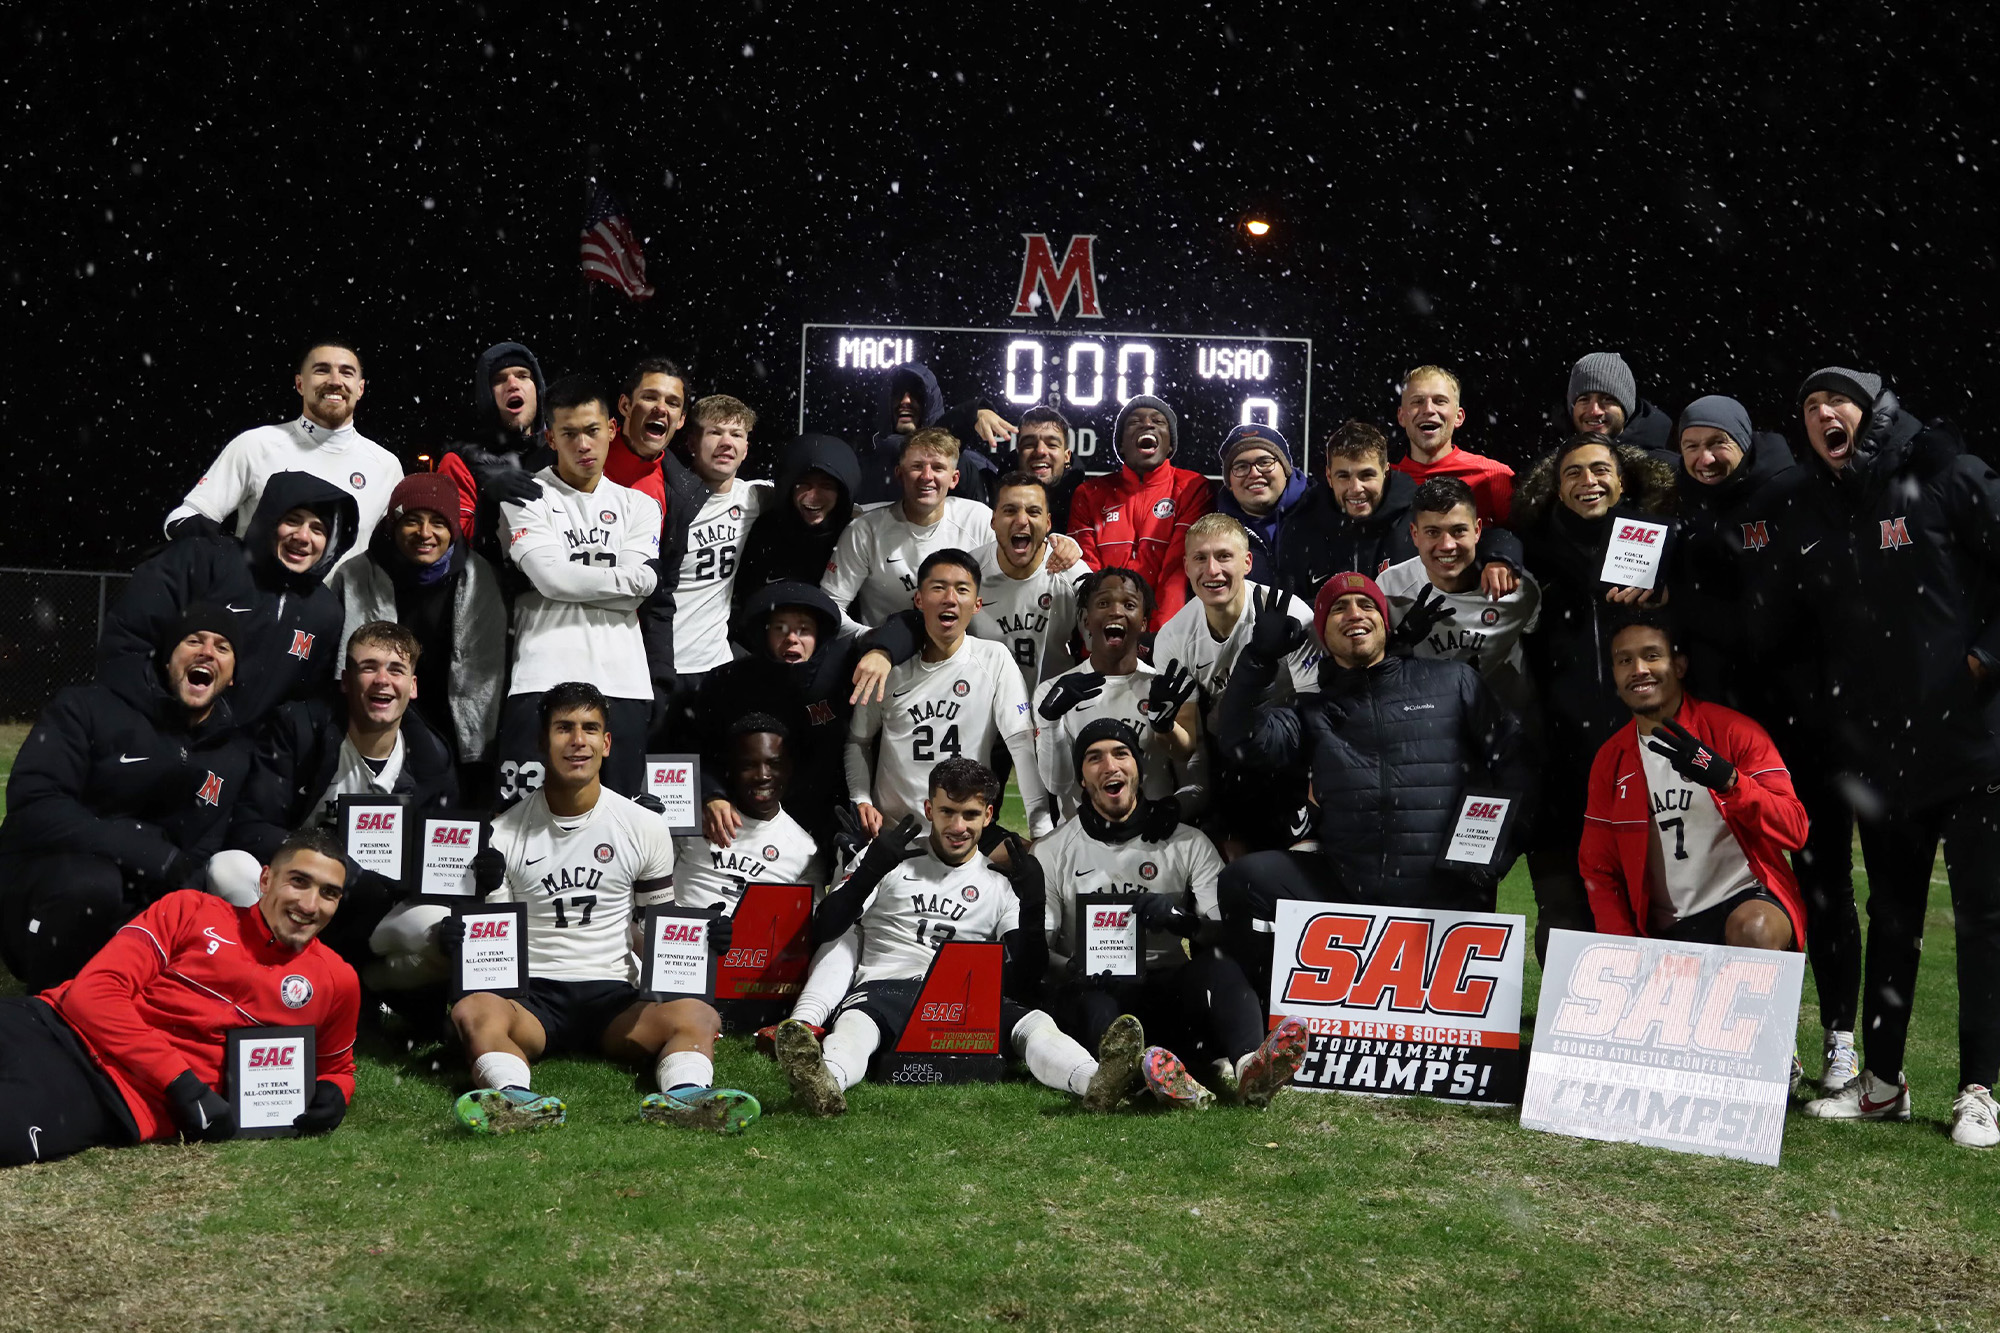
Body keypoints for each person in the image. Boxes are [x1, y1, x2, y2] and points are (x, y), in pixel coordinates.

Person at [1752, 368, 2000, 1148]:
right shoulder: (1823, 500)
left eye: (1839, 402)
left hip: (1973, 748)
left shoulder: (1945, 469)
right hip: (1886, 752)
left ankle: (1980, 1090)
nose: (1825, 414)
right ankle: (1884, 1082)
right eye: (1810, 406)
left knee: (1982, 922)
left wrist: (1983, 660)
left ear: (1872, 410)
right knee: (1892, 916)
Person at [447, 682, 761, 1135]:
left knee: (699, 1013)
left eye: (590, 729)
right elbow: (496, 948)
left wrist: (699, 944)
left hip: (615, 998)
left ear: (607, 743)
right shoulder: (502, 832)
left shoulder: (644, 826)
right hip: (532, 1000)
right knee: (472, 1009)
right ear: (541, 742)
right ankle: (513, 1098)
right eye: (564, 728)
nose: (579, 741)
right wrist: (460, 934)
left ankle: (688, 1096)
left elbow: (652, 929)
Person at [1213, 573, 1530, 996]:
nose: (1354, 614)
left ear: (1385, 620)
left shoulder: (1452, 682)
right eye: (1338, 609)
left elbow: (1515, 762)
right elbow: (1239, 741)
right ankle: (1280, 1028)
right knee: (1245, 880)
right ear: (1322, 634)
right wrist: (1257, 659)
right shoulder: (1313, 712)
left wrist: (1494, 855)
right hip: (1349, 888)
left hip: (1446, 892)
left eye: (1366, 604)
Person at [769, 759, 1145, 1115]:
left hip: (965, 999)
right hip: (887, 986)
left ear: (989, 816)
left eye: (970, 815)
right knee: (856, 1026)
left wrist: (1032, 906)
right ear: (929, 809)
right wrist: (869, 871)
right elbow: (824, 929)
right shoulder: (886, 856)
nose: (958, 826)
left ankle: (1096, 1081)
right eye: (948, 811)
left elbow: (1026, 978)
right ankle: (825, 1080)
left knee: (1034, 1024)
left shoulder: (998, 884)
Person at [1670, 394, 1857, 1085]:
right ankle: (1764, 1035)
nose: (1705, 457)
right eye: (1692, 445)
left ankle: (1841, 1035)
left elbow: (1767, 617)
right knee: (1737, 886)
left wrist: (1682, 600)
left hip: (1805, 728)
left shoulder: (1787, 495)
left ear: (1745, 442)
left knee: (1824, 879)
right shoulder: (1682, 511)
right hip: (1723, 734)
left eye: (1718, 442)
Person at [0, 829, 358, 1166]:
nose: (310, 905)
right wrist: (180, 1080)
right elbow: (92, 994)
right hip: (50, 1024)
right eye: (299, 882)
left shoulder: (337, 980)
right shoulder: (190, 910)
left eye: (329, 893)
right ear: (265, 880)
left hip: (115, 1095)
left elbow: (337, 1068)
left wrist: (334, 1093)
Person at [1033, 719, 1311, 1106]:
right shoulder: (1052, 850)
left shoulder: (1187, 842)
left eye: (1121, 753)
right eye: (1094, 758)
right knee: (1091, 998)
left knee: (1220, 964)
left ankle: (1251, 1067)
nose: (1109, 766)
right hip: (1098, 995)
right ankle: (1136, 1076)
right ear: (1082, 778)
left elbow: (1227, 933)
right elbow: (1039, 949)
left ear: (1138, 769)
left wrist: (1183, 920)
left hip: (1167, 989)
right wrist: (1072, 967)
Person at [1, 606, 252, 990]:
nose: (207, 652)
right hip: (49, 890)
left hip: (143, 904)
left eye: (222, 647)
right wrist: (145, 853)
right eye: (193, 640)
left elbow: (201, 851)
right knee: (94, 884)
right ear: (168, 657)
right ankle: (50, 1004)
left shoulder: (232, 753)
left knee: (216, 891)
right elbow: (36, 804)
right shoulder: (87, 707)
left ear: (232, 676)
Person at [208, 623, 459, 988]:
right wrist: (342, 871)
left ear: (413, 686)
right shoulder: (300, 728)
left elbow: (440, 862)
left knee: (442, 929)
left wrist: (473, 871)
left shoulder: (430, 756)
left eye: (396, 669)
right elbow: (250, 828)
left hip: (372, 911)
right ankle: (265, 982)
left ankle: (359, 991)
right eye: (368, 667)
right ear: (346, 680)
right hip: (296, 895)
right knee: (227, 868)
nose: (382, 680)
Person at [1510, 432, 1677, 959]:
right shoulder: (1531, 547)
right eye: (1574, 473)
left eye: (1600, 470)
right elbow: (1495, 543)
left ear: (1621, 479)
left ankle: (1637, 1028)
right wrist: (1499, 551)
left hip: (1642, 754)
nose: (1589, 481)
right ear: (1557, 490)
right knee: (1563, 912)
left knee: (1646, 904)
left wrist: (1671, 593)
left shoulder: (1658, 540)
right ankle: (1565, 1030)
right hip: (1558, 759)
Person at [1581, 617, 1806, 949]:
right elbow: (1598, 867)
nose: (1639, 669)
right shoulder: (1610, 759)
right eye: (1625, 660)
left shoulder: (1734, 731)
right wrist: (1623, 946)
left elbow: (1794, 828)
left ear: (1680, 665)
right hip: (1666, 928)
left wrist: (1729, 780)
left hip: (1743, 899)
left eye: (1652, 655)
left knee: (1755, 929)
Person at [493, 375, 662, 802]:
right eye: (569, 433)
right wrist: (623, 582)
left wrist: (568, 577)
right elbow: (551, 578)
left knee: (618, 826)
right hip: (541, 677)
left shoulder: (640, 505)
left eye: (591, 431)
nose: (582, 444)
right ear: (551, 437)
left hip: (622, 683)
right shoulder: (525, 497)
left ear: (611, 430)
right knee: (523, 824)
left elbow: (640, 585)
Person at [101, 471, 360, 732]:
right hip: (152, 736)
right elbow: (128, 640)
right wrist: (158, 722)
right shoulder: (204, 560)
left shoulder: (326, 613)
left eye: (318, 529)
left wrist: (259, 763)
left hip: (241, 765)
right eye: (292, 521)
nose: (303, 537)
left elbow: (304, 707)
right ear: (270, 521)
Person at [846, 550, 1054, 840]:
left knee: (1030, 871)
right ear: (919, 600)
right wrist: (861, 800)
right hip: (894, 833)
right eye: (938, 587)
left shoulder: (994, 660)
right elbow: (858, 740)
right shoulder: (889, 667)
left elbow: (1021, 746)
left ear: (977, 604)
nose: (950, 598)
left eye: (962, 589)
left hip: (966, 833)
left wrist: (1041, 829)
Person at [696, 581, 908, 855]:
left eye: (804, 630)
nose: (792, 638)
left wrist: (882, 652)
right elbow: (695, 746)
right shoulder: (729, 682)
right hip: (750, 818)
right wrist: (710, 794)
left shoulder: (843, 664)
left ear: (820, 636)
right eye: (780, 628)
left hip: (834, 813)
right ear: (763, 634)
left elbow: (910, 621)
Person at [1149, 515, 1318, 852]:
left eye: (1224, 556)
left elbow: (1318, 715)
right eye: (1200, 558)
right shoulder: (1173, 637)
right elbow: (1187, 750)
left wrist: (1316, 797)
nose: (1212, 570)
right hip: (1228, 761)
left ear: (1247, 562)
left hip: (1290, 755)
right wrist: (1163, 725)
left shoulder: (1291, 614)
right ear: (1185, 565)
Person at [164, 340, 400, 574]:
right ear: (300, 384)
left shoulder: (386, 465)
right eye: (321, 370)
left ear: (360, 388)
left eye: (346, 373)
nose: (335, 381)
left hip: (342, 612)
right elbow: (184, 517)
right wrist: (234, 562)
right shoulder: (256, 445)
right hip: (257, 608)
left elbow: (398, 550)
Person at [326, 472, 506, 777]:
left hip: (456, 734)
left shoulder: (481, 577)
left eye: (438, 522)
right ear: (393, 524)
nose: (425, 533)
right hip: (372, 729)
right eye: (412, 520)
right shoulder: (355, 574)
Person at [1032, 568, 1200, 824]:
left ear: (1144, 622)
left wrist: (1170, 810)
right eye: (1103, 603)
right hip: (1082, 841)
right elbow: (1057, 785)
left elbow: (1194, 778)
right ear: (1086, 619)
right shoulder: (1052, 692)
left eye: (1129, 604)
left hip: (1152, 835)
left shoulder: (1166, 688)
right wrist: (1050, 721)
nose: (1116, 611)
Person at [1378, 477, 1543, 714]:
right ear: (1414, 534)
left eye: (1458, 531)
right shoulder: (1390, 587)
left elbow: (1541, 644)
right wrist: (1400, 642)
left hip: (1509, 730)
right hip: (1430, 729)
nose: (1447, 545)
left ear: (1477, 530)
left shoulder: (1518, 589)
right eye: (1433, 532)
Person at [1067, 395, 1214, 632]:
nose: (1147, 424)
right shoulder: (1089, 494)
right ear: (1121, 445)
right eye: (1135, 422)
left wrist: (1161, 637)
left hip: (1168, 637)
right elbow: (1088, 573)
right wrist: (1102, 632)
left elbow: (1177, 571)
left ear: (1170, 445)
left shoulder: (1192, 487)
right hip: (1104, 637)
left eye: (1158, 421)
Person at [824, 428, 995, 629]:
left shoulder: (978, 520)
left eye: (938, 468)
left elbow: (1016, 575)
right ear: (899, 474)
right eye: (917, 466)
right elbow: (832, 607)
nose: (926, 476)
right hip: (885, 656)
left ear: (954, 479)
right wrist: (875, 644)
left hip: (960, 653)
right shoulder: (865, 531)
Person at [606, 355, 703, 693]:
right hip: (563, 636)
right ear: (624, 405)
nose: (661, 408)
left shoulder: (681, 492)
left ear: (680, 420)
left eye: (672, 402)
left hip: (628, 653)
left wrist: (660, 672)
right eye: (650, 396)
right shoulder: (582, 457)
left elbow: (662, 593)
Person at [673, 714, 826, 914]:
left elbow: (803, 930)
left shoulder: (805, 850)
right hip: (676, 939)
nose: (763, 775)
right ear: (730, 770)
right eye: (749, 765)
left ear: (789, 769)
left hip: (754, 944)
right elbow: (650, 886)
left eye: (774, 764)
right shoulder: (693, 817)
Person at [669, 395, 771, 684]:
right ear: (691, 443)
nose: (727, 442)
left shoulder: (755, 496)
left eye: (736, 434)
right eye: (715, 432)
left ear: (746, 449)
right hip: (661, 661)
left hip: (717, 662)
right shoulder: (665, 498)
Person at [437, 341, 554, 570]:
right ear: (487, 396)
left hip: (553, 599)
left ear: (538, 390)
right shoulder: (459, 461)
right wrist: (487, 504)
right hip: (490, 599)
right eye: (499, 380)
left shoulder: (561, 451)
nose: (512, 384)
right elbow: (448, 552)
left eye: (522, 375)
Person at [975, 471, 1089, 696]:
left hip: (1055, 711)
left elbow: (1104, 649)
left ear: (1048, 523)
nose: (1021, 520)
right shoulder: (968, 573)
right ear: (993, 521)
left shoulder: (1072, 573)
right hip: (984, 709)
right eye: (1009, 511)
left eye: (1033, 511)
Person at [852, 362, 1014, 505]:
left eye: (916, 394)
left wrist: (968, 416)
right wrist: (968, 416)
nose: (905, 401)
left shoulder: (972, 465)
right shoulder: (861, 471)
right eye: (897, 393)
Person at [735, 432, 862, 605]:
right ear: (789, 488)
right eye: (804, 484)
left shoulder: (856, 537)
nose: (813, 496)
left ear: (842, 492)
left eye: (826, 486)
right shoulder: (765, 533)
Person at [1391, 366, 1516, 525]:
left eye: (1439, 401)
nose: (1428, 409)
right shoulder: (1383, 481)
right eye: (1417, 401)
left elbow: (1523, 543)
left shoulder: (1494, 477)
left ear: (1459, 417)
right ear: (1401, 417)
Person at [1213, 423, 1307, 576]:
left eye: (1264, 462)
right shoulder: (1213, 532)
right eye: (1241, 466)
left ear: (1286, 469)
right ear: (1229, 482)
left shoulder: (1323, 511)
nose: (1254, 473)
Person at [1564, 351, 1675, 461]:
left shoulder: (1671, 471)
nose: (1594, 411)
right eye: (1584, 399)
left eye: (1607, 400)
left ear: (1626, 409)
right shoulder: (1553, 470)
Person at [1007, 405, 1088, 533]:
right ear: (1018, 454)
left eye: (1051, 444)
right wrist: (975, 413)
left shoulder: (1088, 507)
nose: (1040, 451)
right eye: (1029, 444)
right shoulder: (992, 493)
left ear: (1067, 456)